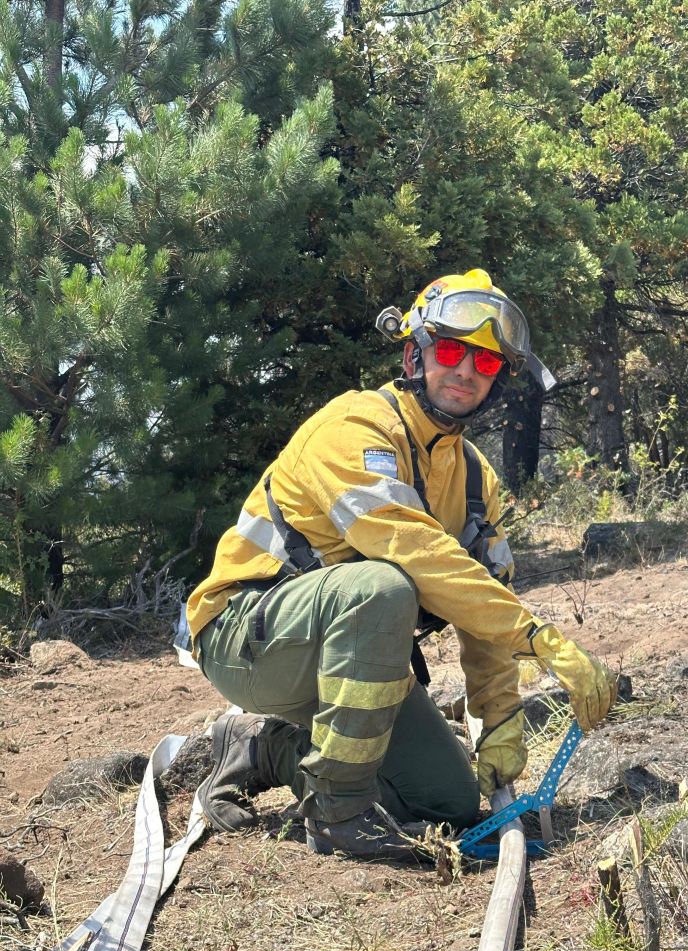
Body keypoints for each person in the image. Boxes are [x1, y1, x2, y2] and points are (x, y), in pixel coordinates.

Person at [185, 269, 616, 860]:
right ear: (415, 352)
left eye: (486, 363)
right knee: (383, 588)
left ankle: (264, 748)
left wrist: (498, 722)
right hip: (244, 635)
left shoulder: (474, 480)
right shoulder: (353, 426)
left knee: (450, 802)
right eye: (451, 350)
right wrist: (539, 638)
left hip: (345, 651)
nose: (466, 371)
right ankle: (338, 815)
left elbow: (481, 593)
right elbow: (412, 549)